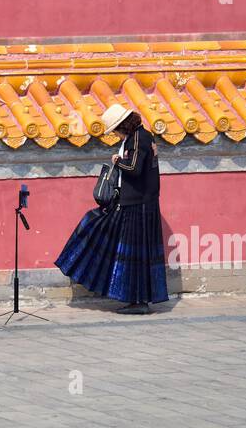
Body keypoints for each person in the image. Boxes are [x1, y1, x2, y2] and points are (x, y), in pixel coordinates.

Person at [55, 103, 169, 314]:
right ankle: (137, 298)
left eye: (116, 131)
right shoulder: (145, 136)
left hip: (137, 205)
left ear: (123, 126)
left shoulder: (136, 140)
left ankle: (138, 301)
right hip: (142, 203)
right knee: (139, 254)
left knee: (132, 253)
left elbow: (134, 169)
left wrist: (117, 160)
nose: (115, 135)